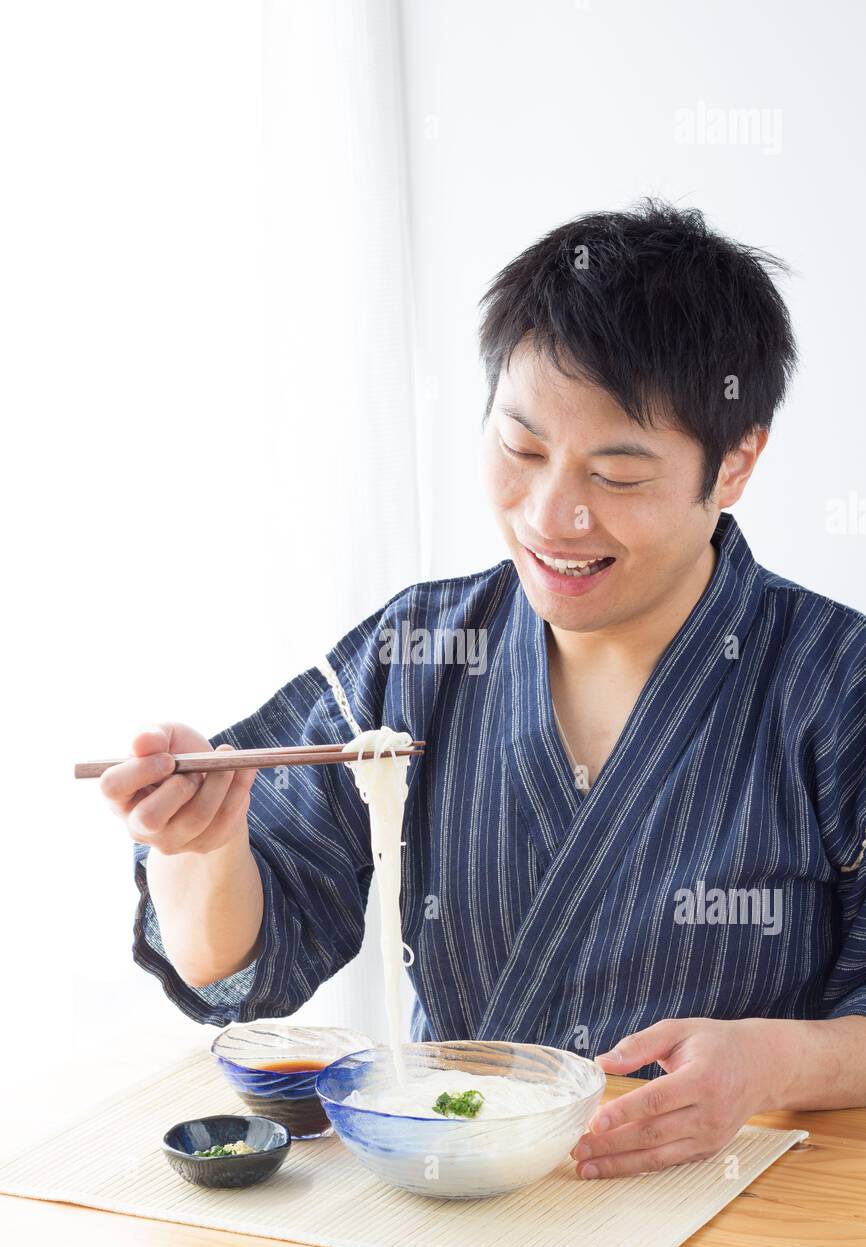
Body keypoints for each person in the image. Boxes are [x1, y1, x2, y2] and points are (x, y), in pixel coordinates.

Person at [100, 200, 866, 1179]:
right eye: (521, 448)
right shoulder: (419, 652)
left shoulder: (834, 686)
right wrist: (203, 848)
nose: (552, 515)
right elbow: (238, 979)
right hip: (458, 1207)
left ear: (734, 463)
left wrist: (766, 1062)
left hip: (735, 1220)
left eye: (618, 474)